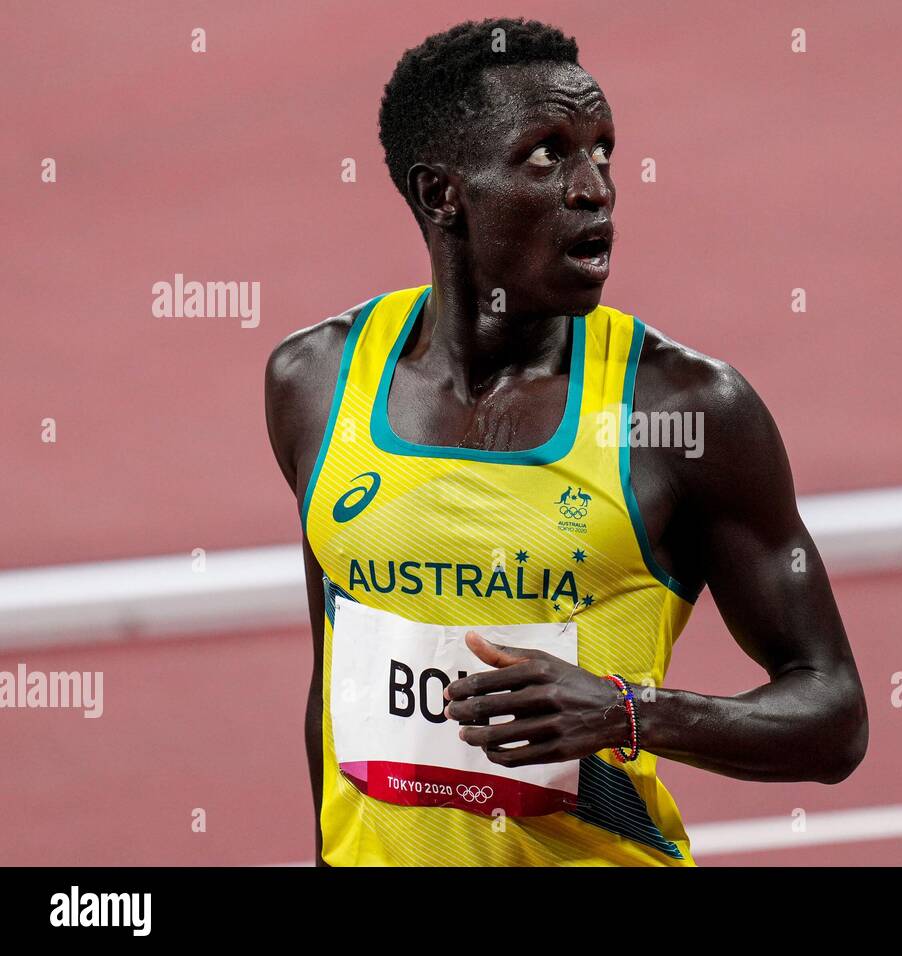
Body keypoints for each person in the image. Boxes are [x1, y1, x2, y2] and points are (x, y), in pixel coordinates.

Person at [264, 16, 867, 866]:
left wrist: (628, 713)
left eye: (604, 151)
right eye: (548, 155)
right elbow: (338, 674)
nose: (596, 189)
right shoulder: (315, 383)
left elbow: (833, 717)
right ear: (443, 194)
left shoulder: (687, 412)